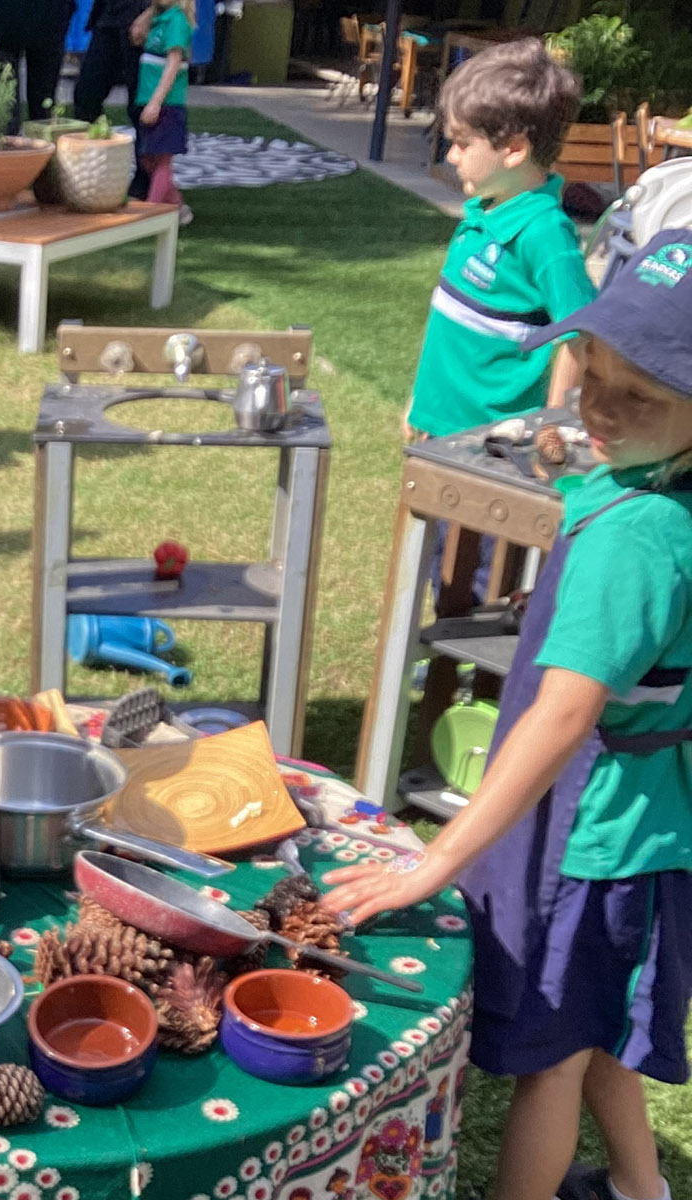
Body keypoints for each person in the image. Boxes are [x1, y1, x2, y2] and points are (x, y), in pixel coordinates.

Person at [324, 229, 692, 1200]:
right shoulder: (654, 482)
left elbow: (563, 716)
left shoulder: (641, 543)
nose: (598, 410)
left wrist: (438, 857)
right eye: (593, 375)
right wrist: (579, 452)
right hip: (639, 823)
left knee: (552, 1064)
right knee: (600, 1026)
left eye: (637, 396)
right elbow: (609, 497)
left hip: (600, 843)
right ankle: (638, 1187)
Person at [404, 37, 594, 441]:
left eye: (461, 143)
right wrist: (419, 403)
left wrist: (552, 427)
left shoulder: (545, 234)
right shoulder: (482, 212)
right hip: (437, 426)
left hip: (490, 443)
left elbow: (580, 333)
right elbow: (451, 318)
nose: (452, 156)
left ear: (513, 150)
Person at [72, 0, 152, 196]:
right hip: (108, 15)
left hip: (142, 13)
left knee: (140, 105)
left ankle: (147, 178)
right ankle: (93, 168)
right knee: (86, 95)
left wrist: (150, 13)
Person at [0, 0, 77, 132]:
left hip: (47, 19)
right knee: (7, 106)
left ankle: (37, 145)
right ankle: (9, 144)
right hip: (3, 21)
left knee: (42, 104)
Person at [136, 0, 195, 225]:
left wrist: (156, 101)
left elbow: (173, 65)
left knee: (162, 161)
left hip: (167, 104)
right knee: (147, 158)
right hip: (149, 98)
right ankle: (176, 205)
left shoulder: (177, 21)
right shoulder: (159, 19)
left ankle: (149, 216)